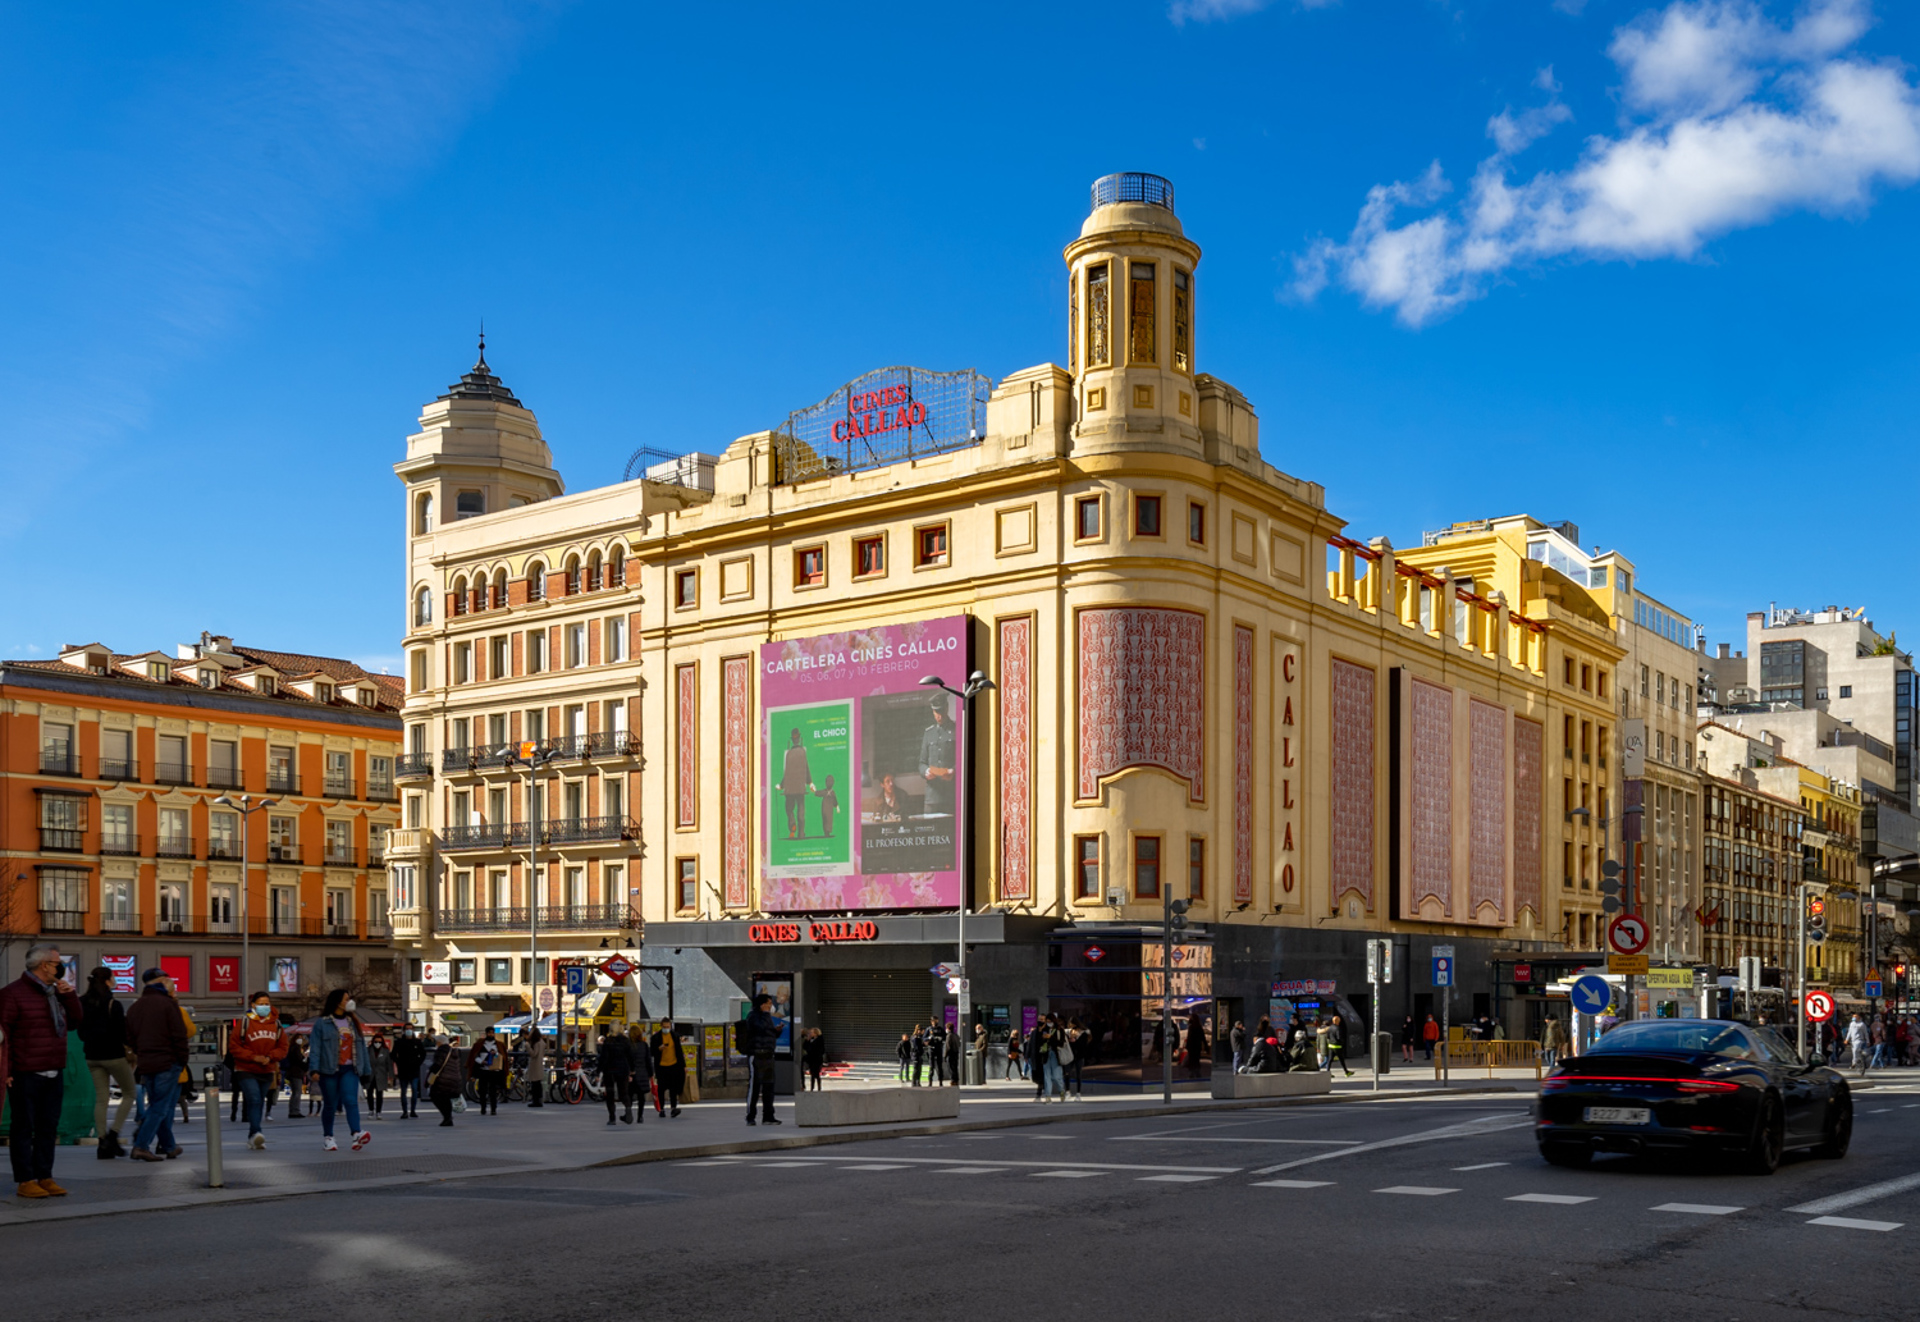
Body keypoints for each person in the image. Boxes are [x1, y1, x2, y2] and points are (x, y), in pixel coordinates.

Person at [2, 944, 85, 1196]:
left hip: (53, 1070)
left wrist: (70, 996)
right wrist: (6, 1071)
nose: (61, 967)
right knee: (23, 1127)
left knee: (48, 1126)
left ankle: (45, 1175)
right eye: (57, 962)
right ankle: (25, 1180)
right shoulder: (12, 994)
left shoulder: (56, 993)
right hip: (25, 1072)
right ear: (44, 965)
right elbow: (4, 1036)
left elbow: (75, 1023)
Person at [124, 966, 189, 1163]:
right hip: (168, 1062)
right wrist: (181, 1059)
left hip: (146, 1062)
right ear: (162, 983)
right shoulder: (169, 1005)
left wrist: (140, 1051)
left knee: (156, 1104)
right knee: (160, 1107)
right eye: (167, 978)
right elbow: (180, 1036)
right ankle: (141, 1145)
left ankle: (169, 1146)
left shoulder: (136, 1006)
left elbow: (128, 1036)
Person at [79, 966, 135, 1161]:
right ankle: (113, 1135)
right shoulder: (114, 1004)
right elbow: (122, 1033)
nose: (115, 980)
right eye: (113, 977)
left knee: (101, 1099)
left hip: (92, 1057)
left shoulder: (82, 1002)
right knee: (129, 1093)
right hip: (114, 1056)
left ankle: (102, 1142)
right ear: (107, 981)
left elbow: (80, 1031)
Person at [309, 989, 372, 1152]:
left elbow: (362, 1048)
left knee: (351, 1100)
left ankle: (356, 1133)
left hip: (350, 1068)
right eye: (346, 999)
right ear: (337, 1002)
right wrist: (314, 1069)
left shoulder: (353, 1022)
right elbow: (315, 1047)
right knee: (330, 1104)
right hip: (328, 1069)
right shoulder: (322, 1023)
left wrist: (366, 1070)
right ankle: (328, 1137)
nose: (350, 1002)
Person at [230, 990, 288, 1150]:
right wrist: (253, 1057)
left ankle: (252, 1136)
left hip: (267, 1069)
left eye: (267, 1004)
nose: (264, 1007)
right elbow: (234, 1046)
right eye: (261, 1004)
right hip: (246, 1068)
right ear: (253, 1005)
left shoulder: (276, 1024)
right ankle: (257, 1133)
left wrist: (270, 1057)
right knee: (254, 1099)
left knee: (259, 1102)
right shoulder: (245, 1022)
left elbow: (283, 1047)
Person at [744, 994, 783, 1125]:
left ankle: (768, 1116)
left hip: (768, 1054)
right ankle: (750, 1116)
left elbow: (768, 1033)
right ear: (761, 1004)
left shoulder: (767, 1017)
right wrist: (766, 1015)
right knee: (754, 1087)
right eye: (768, 1003)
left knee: (769, 1087)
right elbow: (759, 1029)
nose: (770, 1006)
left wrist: (777, 1031)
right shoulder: (753, 1016)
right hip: (756, 1055)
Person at [919, 695, 956, 816]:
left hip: (950, 795)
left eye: (941, 710)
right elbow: (922, 763)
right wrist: (925, 772)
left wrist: (954, 771)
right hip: (932, 798)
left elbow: (965, 759)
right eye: (936, 711)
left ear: (947, 708)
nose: (939, 715)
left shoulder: (957, 729)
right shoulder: (928, 733)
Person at [779, 728, 813, 840]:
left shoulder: (788, 754)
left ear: (792, 740)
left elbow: (786, 772)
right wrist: (810, 782)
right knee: (801, 810)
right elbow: (806, 769)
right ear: (798, 739)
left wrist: (781, 785)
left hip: (789, 788)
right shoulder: (803, 752)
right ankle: (801, 833)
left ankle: (792, 824)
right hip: (800, 787)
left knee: (789, 809)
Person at [599, 1026, 636, 1124]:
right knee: (623, 1092)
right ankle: (628, 1111)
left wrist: (599, 1070)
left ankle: (612, 1118)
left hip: (609, 1070)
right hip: (623, 1069)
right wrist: (632, 1069)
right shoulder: (625, 1041)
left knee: (610, 1094)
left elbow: (604, 1057)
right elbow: (630, 1056)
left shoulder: (608, 1041)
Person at [426, 1034, 464, 1126]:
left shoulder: (441, 1051)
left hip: (443, 1080)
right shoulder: (454, 1051)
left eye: (436, 1042)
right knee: (446, 1098)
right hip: (455, 1079)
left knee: (435, 1096)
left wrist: (428, 1078)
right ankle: (448, 1118)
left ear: (439, 1043)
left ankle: (447, 1117)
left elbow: (437, 1065)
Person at [650, 1023, 684, 1117]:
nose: (666, 1029)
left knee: (673, 1088)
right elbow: (651, 1052)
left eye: (668, 1027)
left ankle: (673, 1108)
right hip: (661, 1066)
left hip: (673, 1065)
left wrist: (683, 1066)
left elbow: (679, 1051)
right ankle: (662, 1109)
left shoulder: (674, 1036)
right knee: (661, 1088)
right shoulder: (656, 1037)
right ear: (661, 1026)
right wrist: (658, 1049)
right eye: (664, 1027)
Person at [392, 1025, 426, 1119]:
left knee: (415, 1090)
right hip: (403, 1070)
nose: (408, 1030)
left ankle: (413, 1111)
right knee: (403, 1091)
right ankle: (405, 1112)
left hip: (414, 1070)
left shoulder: (417, 1042)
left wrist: (418, 1062)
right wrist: (399, 1063)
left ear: (413, 1030)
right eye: (407, 1029)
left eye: (410, 1029)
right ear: (404, 1030)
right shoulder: (399, 1042)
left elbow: (423, 1054)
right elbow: (393, 1054)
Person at [469, 1029, 506, 1115]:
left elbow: (502, 1056)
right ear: (486, 1034)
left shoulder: (498, 1044)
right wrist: (481, 1061)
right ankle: (483, 1108)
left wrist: (495, 1053)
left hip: (494, 1071)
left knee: (493, 1090)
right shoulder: (479, 1044)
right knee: (482, 1090)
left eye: (492, 1033)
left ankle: (493, 1109)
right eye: (489, 1033)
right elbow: (474, 1056)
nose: (491, 1034)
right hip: (483, 1070)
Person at [365, 1033, 392, 1117]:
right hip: (370, 1075)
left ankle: (378, 1111)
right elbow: (365, 1062)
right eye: (376, 1042)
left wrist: (391, 1076)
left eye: (379, 1042)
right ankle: (371, 1109)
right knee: (369, 1093)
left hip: (381, 1075)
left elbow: (389, 1064)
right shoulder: (368, 1050)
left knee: (379, 1094)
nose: (377, 1043)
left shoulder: (385, 1051)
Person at [281, 1031, 308, 1118]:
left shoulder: (294, 1048)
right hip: (295, 1072)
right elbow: (298, 1061)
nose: (300, 1039)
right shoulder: (295, 1048)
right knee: (297, 1092)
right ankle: (294, 1111)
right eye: (299, 1038)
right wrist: (305, 1064)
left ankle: (294, 1110)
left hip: (294, 1072)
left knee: (296, 1092)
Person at [521, 1026, 549, 1108]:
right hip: (539, 1064)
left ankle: (535, 1100)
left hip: (535, 1065)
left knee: (535, 1084)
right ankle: (538, 1100)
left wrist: (527, 1046)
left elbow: (534, 1054)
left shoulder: (536, 1043)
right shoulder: (542, 1042)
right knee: (538, 1084)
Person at [801, 1027, 826, 1091]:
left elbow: (821, 1050)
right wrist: (807, 1040)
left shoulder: (819, 1040)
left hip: (817, 1059)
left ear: (815, 1033)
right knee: (812, 1073)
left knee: (816, 1073)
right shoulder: (811, 1039)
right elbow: (805, 1047)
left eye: (811, 1032)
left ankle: (819, 1087)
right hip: (811, 1059)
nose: (810, 1034)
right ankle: (812, 1087)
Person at [928, 1020, 948, 1086]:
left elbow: (945, 1037)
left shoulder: (941, 1029)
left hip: (939, 1048)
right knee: (931, 1066)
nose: (935, 1023)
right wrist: (929, 1038)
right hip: (931, 1049)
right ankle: (930, 1082)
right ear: (931, 1022)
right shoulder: (929, 1029)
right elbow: (924, 1038)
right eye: (933, 1021)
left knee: (940, 1066)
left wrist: (940, 1038)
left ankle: (940, 1081)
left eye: (936, 1021)